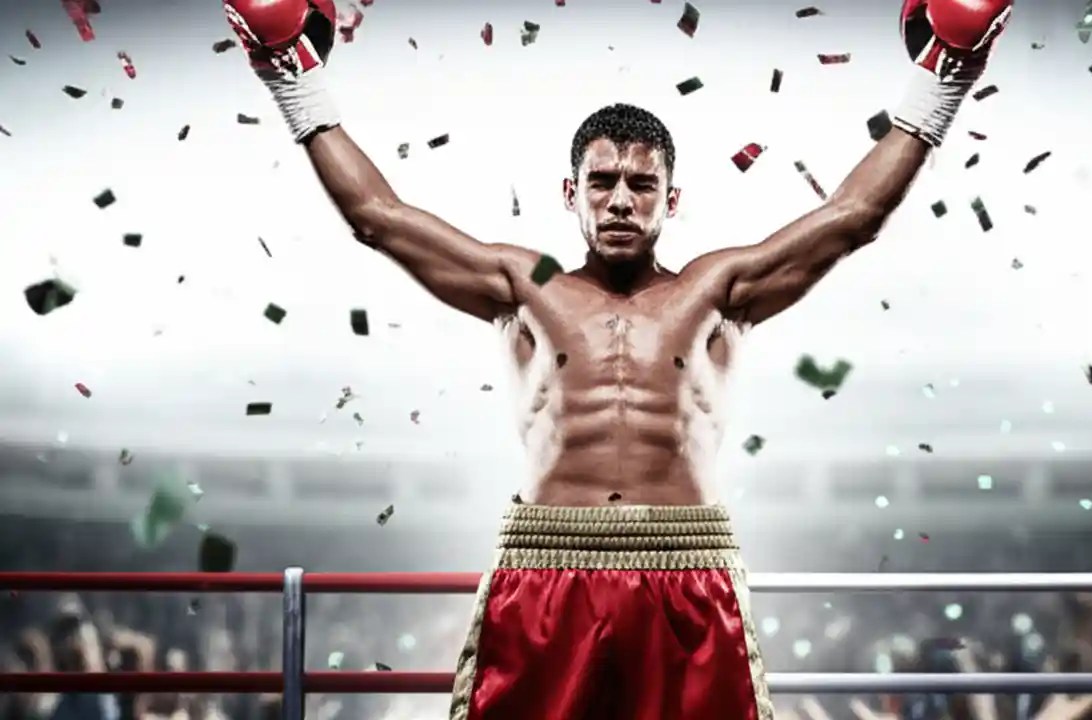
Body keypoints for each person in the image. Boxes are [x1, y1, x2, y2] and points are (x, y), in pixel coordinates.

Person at [222, 0, 1013, 717]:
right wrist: (291, 78)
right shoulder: (525, 285)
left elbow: (852, 217)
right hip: (545, 566)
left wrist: (944, 77)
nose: (622, 200)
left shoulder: (717, 288)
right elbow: (379, 217)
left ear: (672, 198)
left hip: (688, 565)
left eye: (642, 183)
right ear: (571, 193)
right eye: (602, 182)